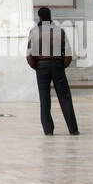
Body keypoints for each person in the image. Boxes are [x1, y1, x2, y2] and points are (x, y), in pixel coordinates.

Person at [26, 7, 79, 136]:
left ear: (40, 17)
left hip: (41, 66)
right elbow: (67, 53)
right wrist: (62, 65)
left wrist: (37, 66)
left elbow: (29, 54)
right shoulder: (59, 31)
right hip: (57, 66)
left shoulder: (34, 32)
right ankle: (73, 129)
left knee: (44, 99)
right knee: (65, 98)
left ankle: (48, 130)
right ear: (50, 16)